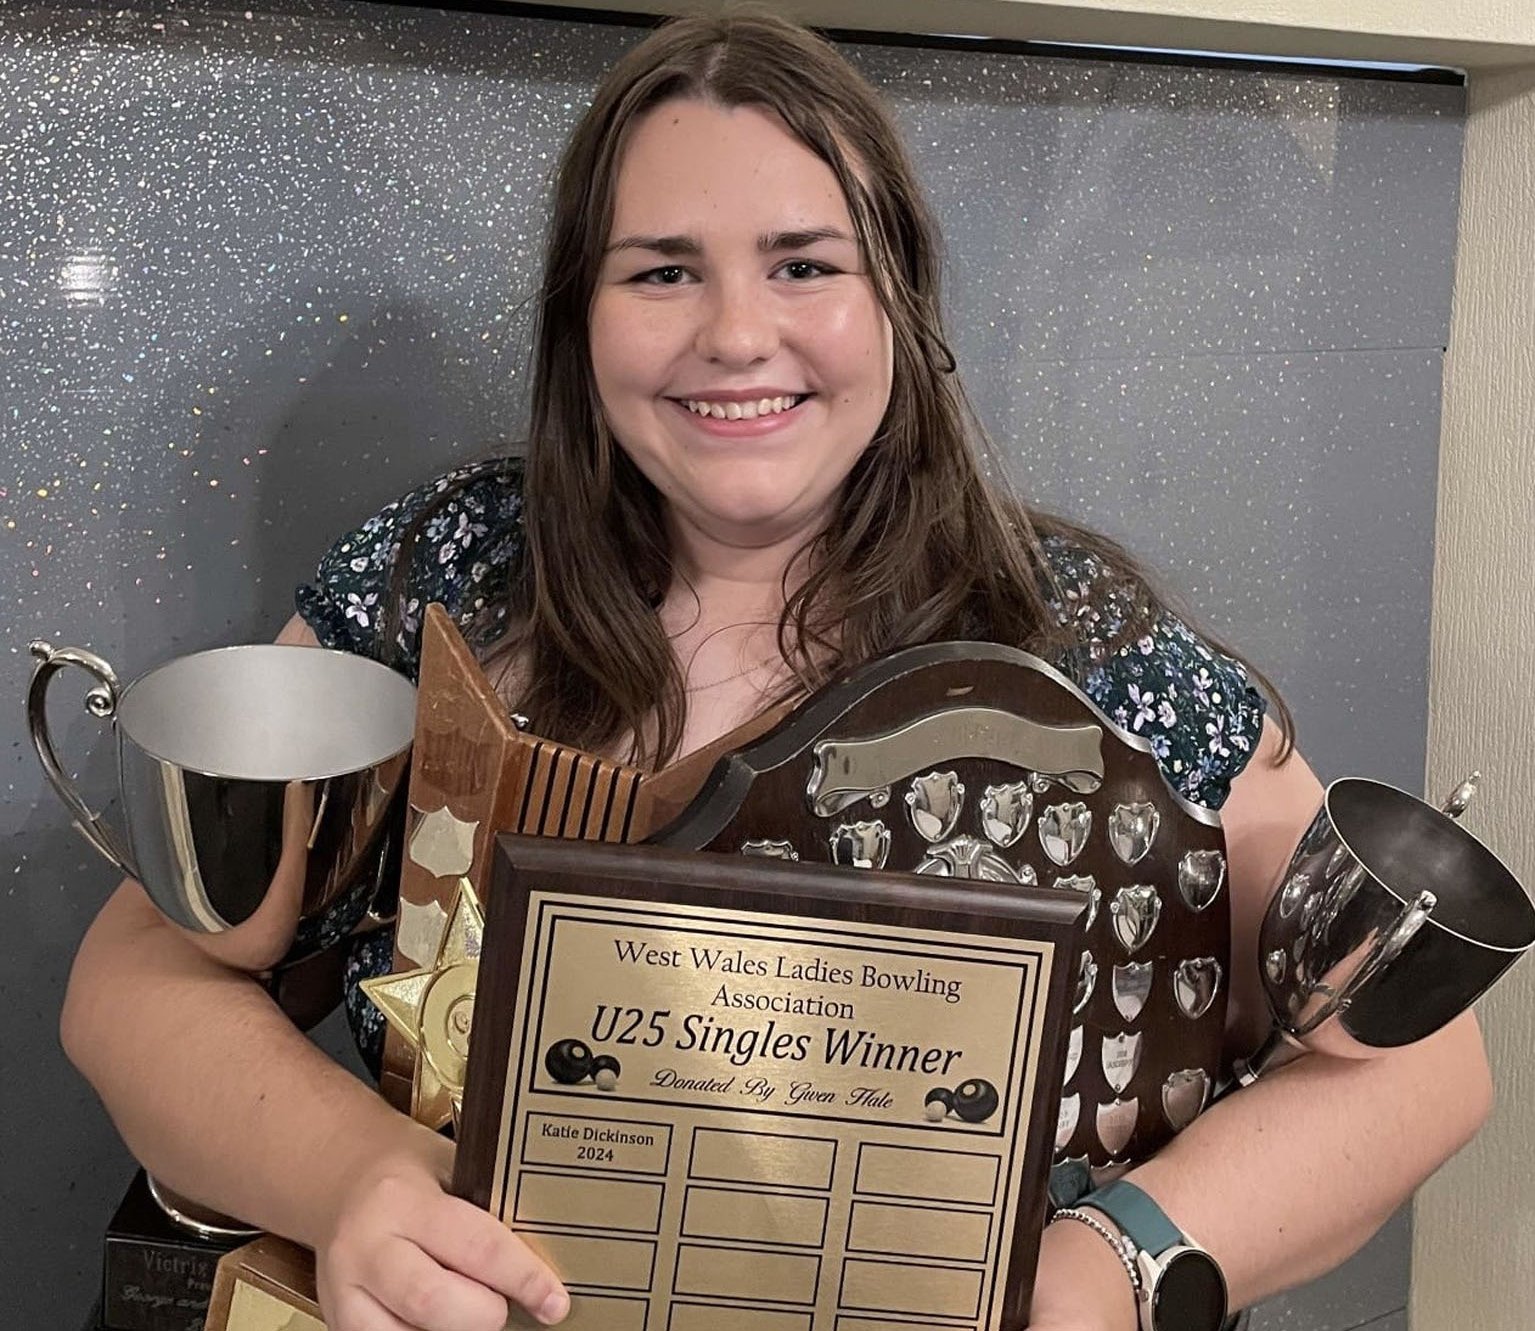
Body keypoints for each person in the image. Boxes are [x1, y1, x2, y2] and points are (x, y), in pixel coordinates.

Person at [61, 13, 1491, 1331]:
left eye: (805, 265)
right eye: (664, 271)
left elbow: (1422, 1065)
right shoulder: (449, 572)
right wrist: (357, 1179)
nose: (737, 335)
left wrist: (1100, 1275)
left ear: (900, 306)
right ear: (582, 318)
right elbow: (136, 978)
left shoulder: (1084, 646)